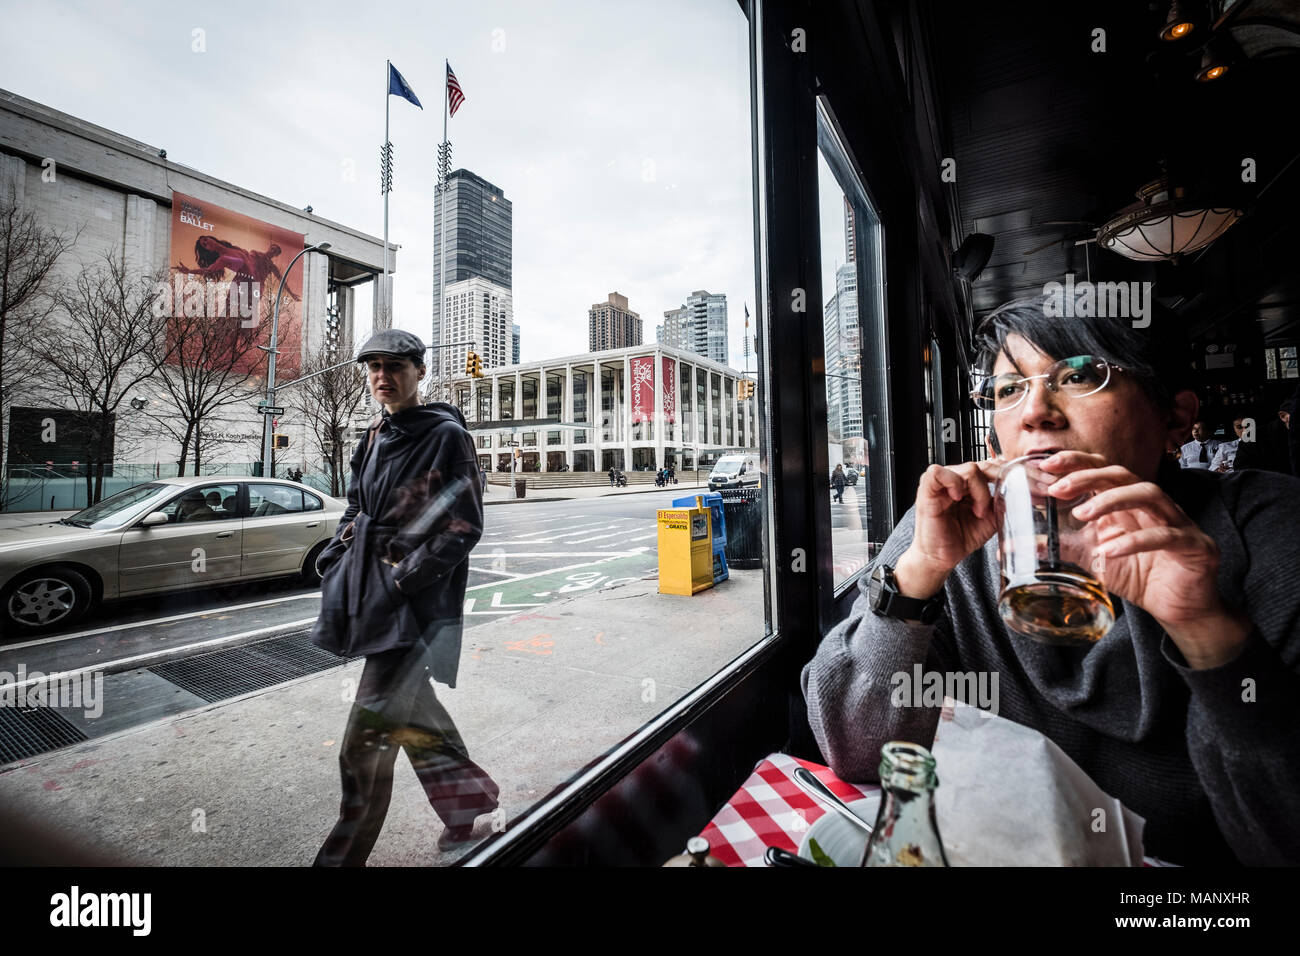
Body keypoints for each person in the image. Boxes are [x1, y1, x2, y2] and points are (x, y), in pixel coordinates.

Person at [801, 292, 1300, 866]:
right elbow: (854, 749)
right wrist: (916, 576)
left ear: (1176, 417)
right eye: (1011, 389)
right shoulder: (953, 529)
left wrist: (1208, 631)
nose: (1036, 411)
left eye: (1081, 376)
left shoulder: (1271, 535)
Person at [311, 328, 499, 866]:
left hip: (413, 611)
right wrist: (337, 553)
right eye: (373, 367)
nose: (381, 377)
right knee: (417, 719)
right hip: (370, 597)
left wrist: (400, 579)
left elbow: (462, 528)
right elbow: (355, 505)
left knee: (364, 743)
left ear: (419, 372)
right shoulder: (372, 435)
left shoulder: (445, 437)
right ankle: (467, 811)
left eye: (395, 366)